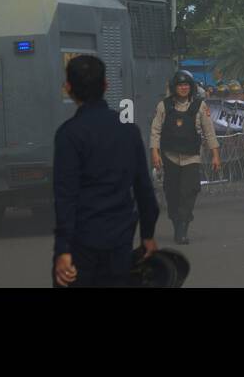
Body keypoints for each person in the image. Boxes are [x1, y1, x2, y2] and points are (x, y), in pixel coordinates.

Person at [53, 54, 159, 287]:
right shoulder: (129, 131)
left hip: (80, 247)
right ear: (106, 85)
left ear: (68, 88)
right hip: (120, 244)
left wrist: (63, 249)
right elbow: (144, 190)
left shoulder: (68, 135)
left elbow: (65, 197)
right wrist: (148, 235)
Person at [149, 70, 220, 244]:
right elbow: (155, 131)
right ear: (175, 87)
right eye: (180, 85)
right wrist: (155, 153)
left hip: (192, 157)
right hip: (170, 156)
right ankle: (177, 224)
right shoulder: (164, 106)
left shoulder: (200, 106)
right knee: (172, 193)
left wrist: (215, 155)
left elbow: (209, 132)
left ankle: (183, 228)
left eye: (186, 85)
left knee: (189, 191)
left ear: (191, 87)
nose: (183, 88)